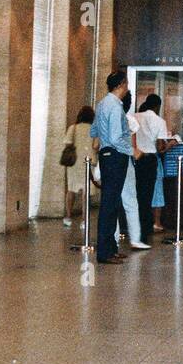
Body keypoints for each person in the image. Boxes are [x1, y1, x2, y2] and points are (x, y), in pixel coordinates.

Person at [90, 72, 131, 265]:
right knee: (109, 205)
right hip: (115, 157)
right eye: (127, 83)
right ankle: (105, 253)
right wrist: (132, 151)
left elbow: (94, 131)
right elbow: (116, 138)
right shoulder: (114, 106)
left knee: (111, 204)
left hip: (106, 156)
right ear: (122, 84)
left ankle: (111, 249)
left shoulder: (101, 104)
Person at [134, 94, 170, 243]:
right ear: (158, 106)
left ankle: (133, 227)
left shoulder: (135, 116)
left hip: (135, 158)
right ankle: (145, 228)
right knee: (148, 195)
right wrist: (170, 144)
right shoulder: (160, 121)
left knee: (135, 194)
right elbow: (160, 147)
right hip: (149, 160)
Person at [117, 91, 149, 251]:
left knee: (112, 202)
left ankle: (113, 238)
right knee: (130, 201)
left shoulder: (107, 117)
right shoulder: (130, 121)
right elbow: (134, 148)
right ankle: (135, 239)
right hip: (125, 163)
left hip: (108, 163)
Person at [63, 105, 96, 227]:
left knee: (71, 189)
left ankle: (68, 216)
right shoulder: (94, 129)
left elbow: (67, 143)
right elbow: (97, 145)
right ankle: (84, 219)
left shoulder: (73, 128)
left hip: (74, 162)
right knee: (85, 191)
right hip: (89, 161)